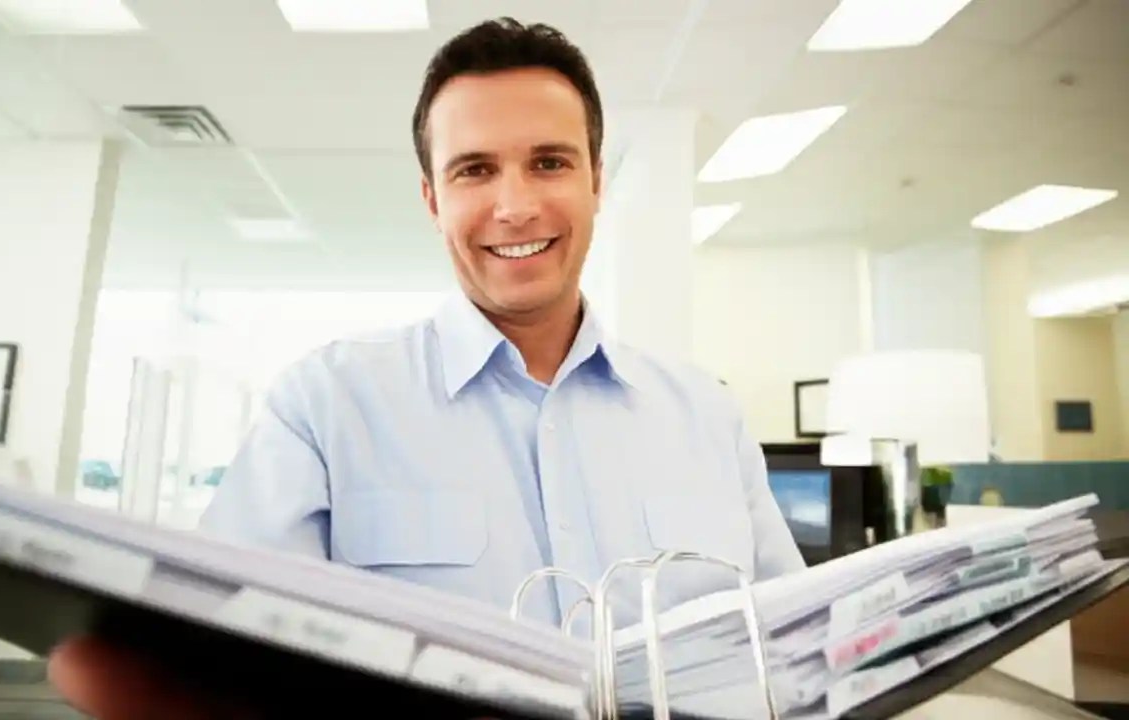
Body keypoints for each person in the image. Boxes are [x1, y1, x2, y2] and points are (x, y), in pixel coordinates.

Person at [48, 16, 804, 718]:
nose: (515, 206)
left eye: (549, 162)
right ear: (432, 199)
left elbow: (799, 659)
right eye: (475, 170)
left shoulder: (709, 416)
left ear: (595, 181)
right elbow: (231, 663)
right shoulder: (324, 407)